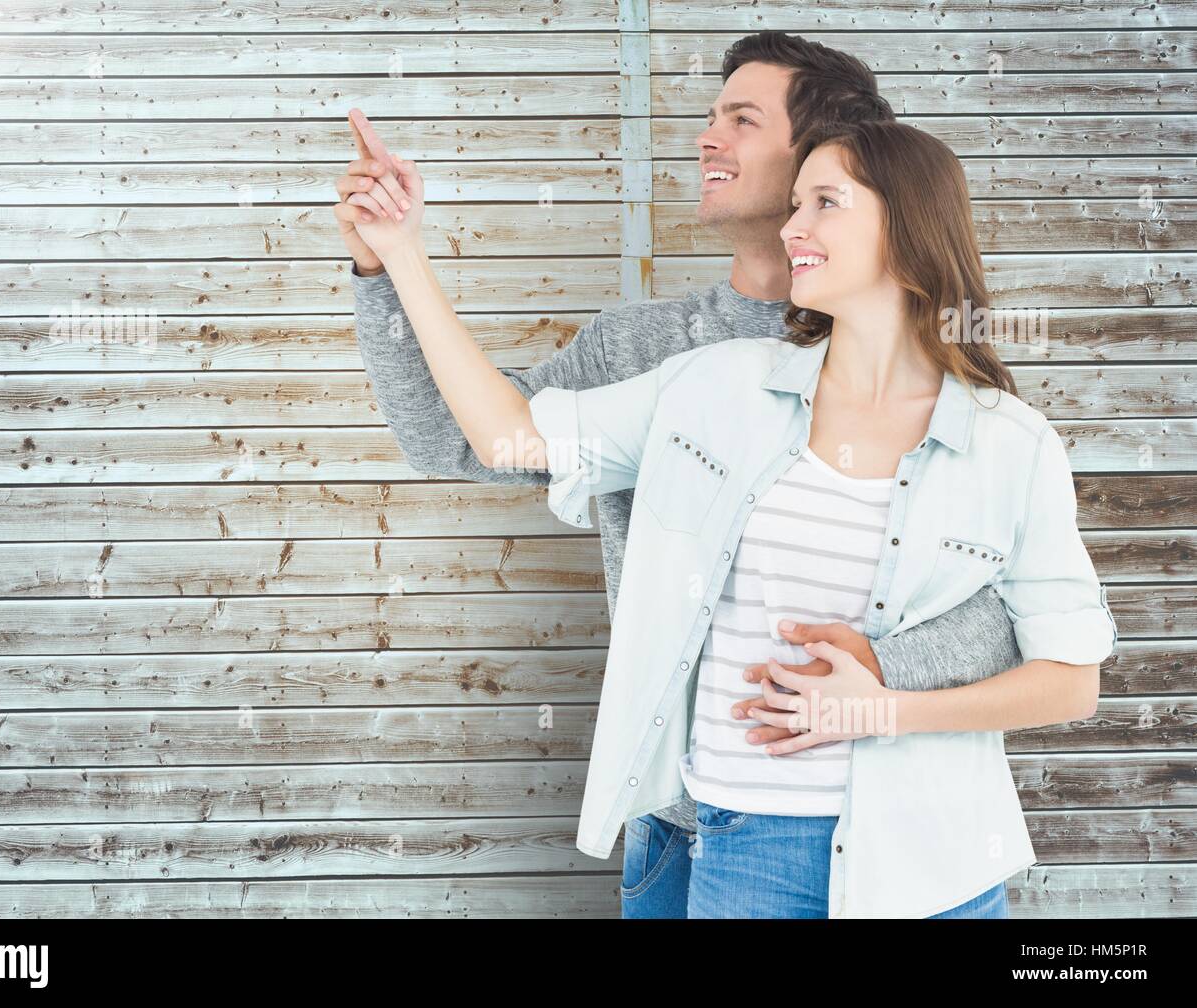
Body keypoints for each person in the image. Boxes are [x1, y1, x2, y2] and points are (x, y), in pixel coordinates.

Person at [336, 33, 1054, 918]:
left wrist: (866, 681)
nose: (707, 138)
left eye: (741, 120)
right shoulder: (658, 357)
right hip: (679, 822)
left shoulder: (970, 412)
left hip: (885, 820)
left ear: (834, 161)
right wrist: (386, 264)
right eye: (710, 117)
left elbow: (1016, 625)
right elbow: (469, 438)